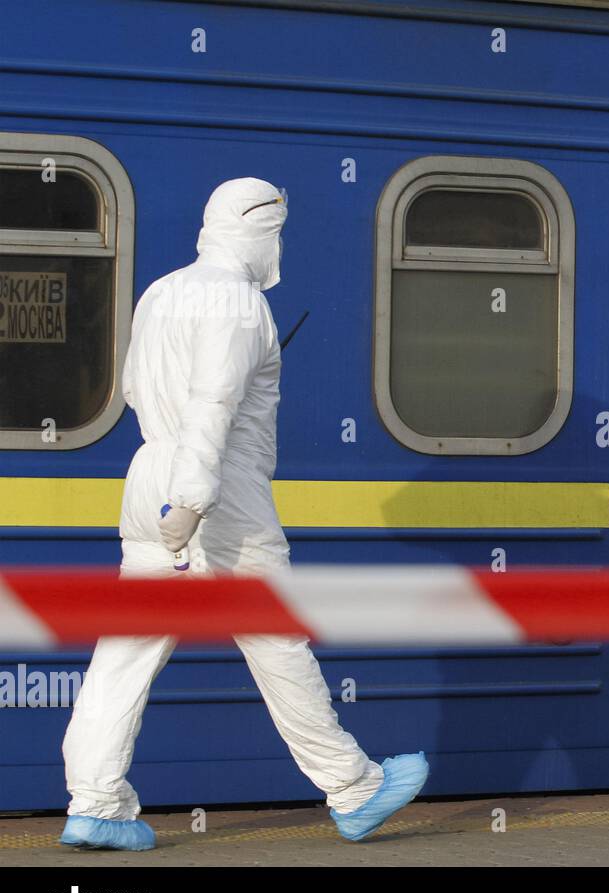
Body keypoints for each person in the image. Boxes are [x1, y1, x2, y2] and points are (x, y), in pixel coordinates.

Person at [60, 178, 428, 851]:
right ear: (261, 231)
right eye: (277, 233)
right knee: (275, 641)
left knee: (123, 653)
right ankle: (353, 787)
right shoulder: (238, 302)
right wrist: (193, 497)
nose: (278, 247)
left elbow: (136, 388)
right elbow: (213, 405)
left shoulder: (161, 291)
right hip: (215, 489)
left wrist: (175, 484)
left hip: (149, 474)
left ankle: (95, 804)